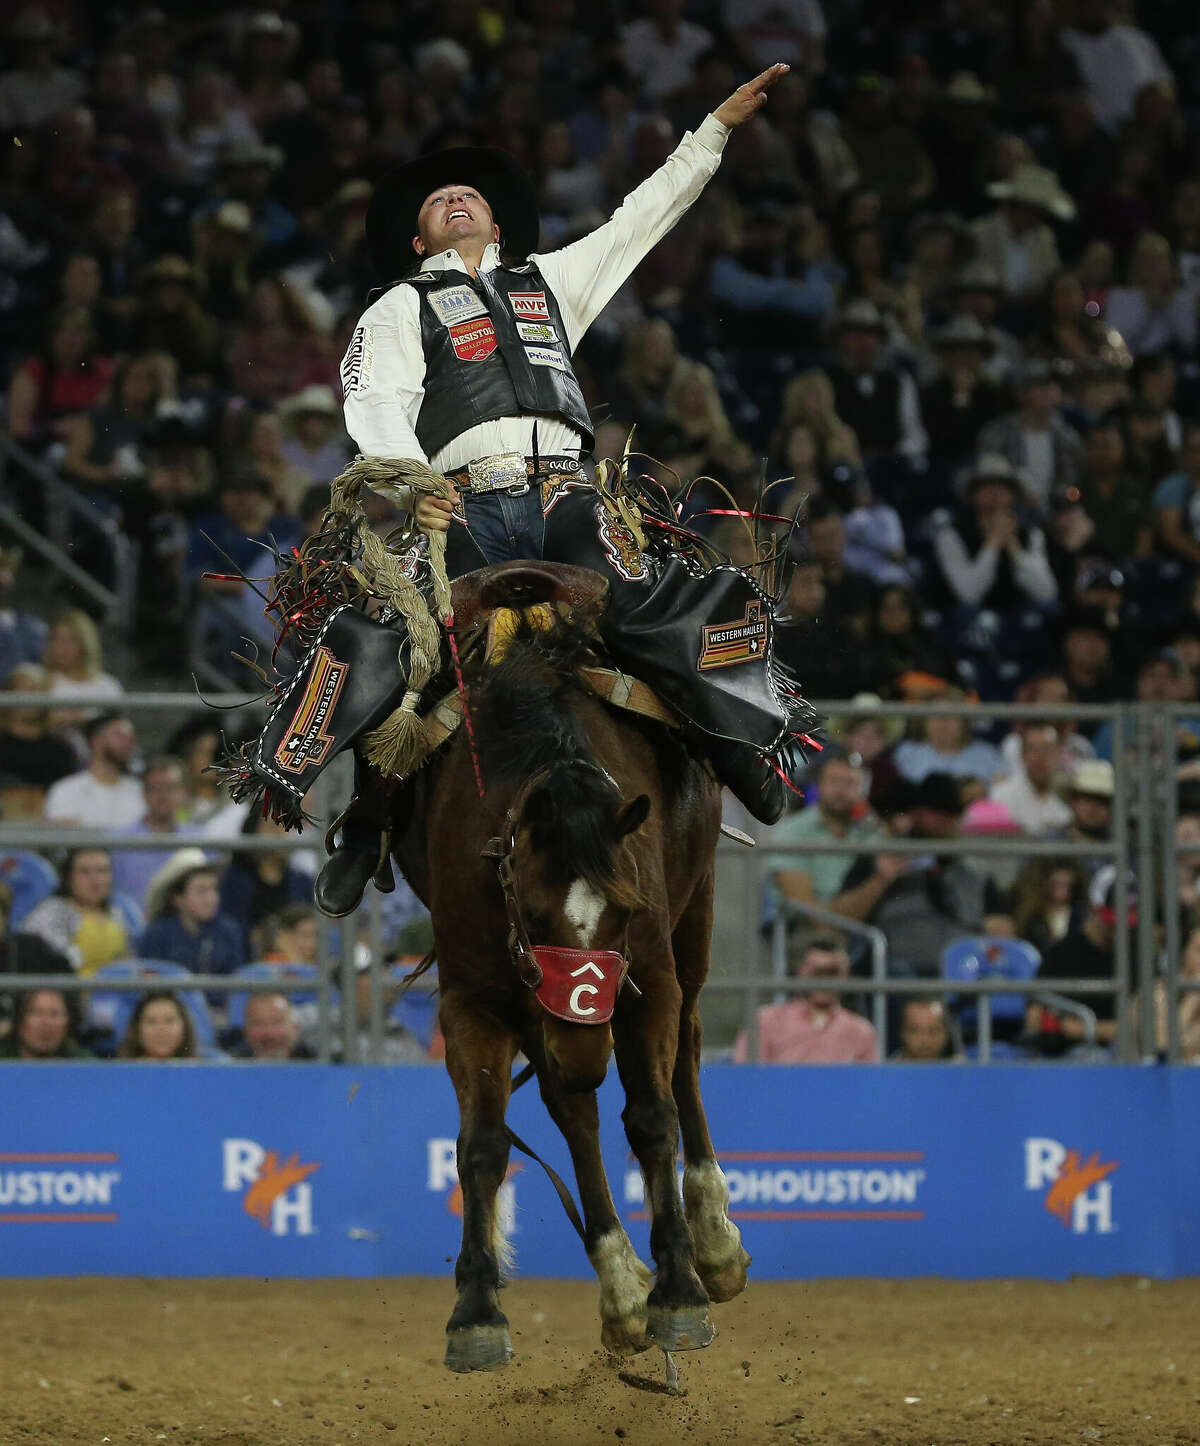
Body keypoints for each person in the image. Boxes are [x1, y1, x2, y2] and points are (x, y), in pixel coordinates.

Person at [237, 63, 809, 919]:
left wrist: (712, 132)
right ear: (420, 240)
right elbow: (375, 404)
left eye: (469, 194)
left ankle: (737, 745)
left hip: (564, 496)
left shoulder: (551, 280)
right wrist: (414, 485)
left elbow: (641, 219)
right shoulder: (397, 307)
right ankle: (368, 822)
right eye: (438, 201)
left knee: (653, 601)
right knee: (397, 639)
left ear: (497, 222)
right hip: (456, 502)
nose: (455, 199)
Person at [831, 772, 1011, 977]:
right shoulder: (882, 857)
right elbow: (839, 918)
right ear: (915, 814)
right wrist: (880, 880)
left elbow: (1003, 927)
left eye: (951, 815)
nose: (945, 822)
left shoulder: (975, 870)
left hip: (964, 970)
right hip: (899, 968)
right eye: (936, 813)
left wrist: (983, 929)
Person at [1028, 864, 1130, 1057]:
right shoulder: (1060, 954)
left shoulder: (1137, 954)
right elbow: (1034, 1020)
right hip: (1067, 1056)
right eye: (1110, 919)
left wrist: (1082, 1028)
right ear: (1092, 908)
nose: (1118, 927)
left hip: (1125, 1052)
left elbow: (1145, 1024)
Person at [733, 930, 878, 1063]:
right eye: (817, 973)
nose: (824, 981)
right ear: (802, 973)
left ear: (844, 976)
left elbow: (871, 1086)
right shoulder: (766, 1022)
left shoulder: (861, 1032)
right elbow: (745, 1077)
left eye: (832, 973)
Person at [766, 751, 878, 911]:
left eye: (851, 783)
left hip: (865, 930)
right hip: (800, 933)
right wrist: (880, 881)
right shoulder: (791, 832)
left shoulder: (871, 832)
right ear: (818, 785)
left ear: (864, 790)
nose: (841, 791)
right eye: (834, 781)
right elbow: (809, 914)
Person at [22, 848, 130, 976]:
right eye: (85, 872)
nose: (95, 880)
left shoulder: (116, 912)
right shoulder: (50, 913)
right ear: (68, 877)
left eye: (102, 871)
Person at [140, 848, 246, 975]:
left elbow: (236, 986)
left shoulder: (229, 931)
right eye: (201, 891)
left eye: (214, 889)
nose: (211, 899)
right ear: (177, 899)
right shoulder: (157, 934)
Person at [109, 756, 195, 908]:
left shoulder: (201, 840)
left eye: (170, 788)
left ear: (183, 792)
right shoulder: (119, 842)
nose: (163, 796)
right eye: (155, 788)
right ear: (144, 793)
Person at [0, 663, 78, 821]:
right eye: (27, 690)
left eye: (38, 690)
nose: (33, 696)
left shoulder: (61, 748)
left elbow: (71, 793)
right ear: (9, 694)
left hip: (52, 823)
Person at [43, 711, 143, 830]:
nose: (129, 743)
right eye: (121, 736)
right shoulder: (65, 791)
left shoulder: (141, 791)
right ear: (96, 741)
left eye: (131, 738)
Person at [989, 726, 1073, 837]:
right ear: (1022, 755)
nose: (1040, 757)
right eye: (1033, 749)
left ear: (1058, 755)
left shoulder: (1066, 806)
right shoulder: (1000, 795)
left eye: (1047, 749)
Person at [0, 988, 93, 1060]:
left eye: (54, 1014)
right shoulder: (4, 1059)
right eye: (35, 1013)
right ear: (19, 1021)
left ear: (68, 1023)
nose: (45, 1023)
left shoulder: (83, 1062)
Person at [231, 990, 315, 1060]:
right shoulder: (231, 1066)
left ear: (295, 1027)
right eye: (258, 1024)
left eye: (276, 1022)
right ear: (246, 1030)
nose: (269, 1033)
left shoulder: (318, 1062)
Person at [117, 990, 197, 1060]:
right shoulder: (118, 1072)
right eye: (151, 1021)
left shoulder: (201, 1070)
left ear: (184, 1026)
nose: (161, 1029)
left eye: (169, 1021)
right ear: (137, 1028)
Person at [893, 999, 959, 1061]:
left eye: (933, 1031)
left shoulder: (959, 1069)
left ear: (947, 1034)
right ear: (902, 1033)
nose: (924, 1040)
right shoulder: (886, 1069)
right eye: (914, 1031)